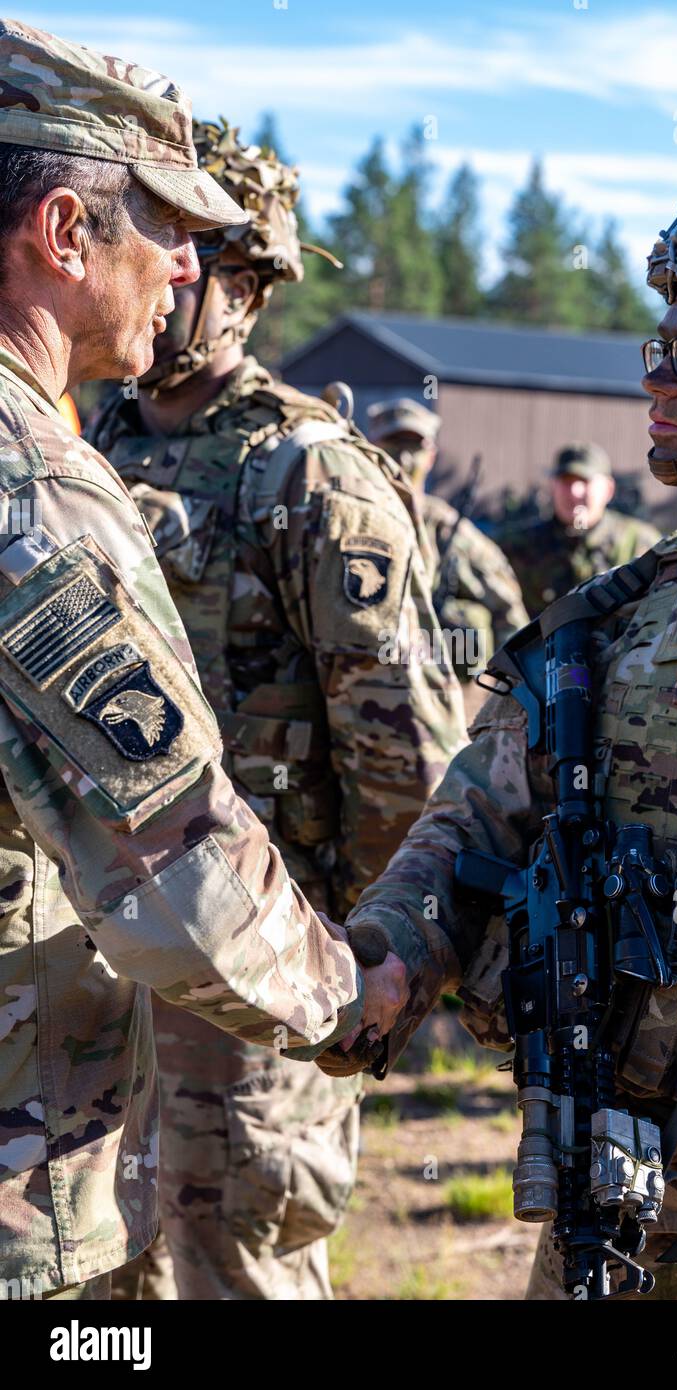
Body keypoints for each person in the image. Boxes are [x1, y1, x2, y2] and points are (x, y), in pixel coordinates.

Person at [325, 164, 677, 1301]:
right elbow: (473, 817)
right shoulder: (609, 623)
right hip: (607, 1207)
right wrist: (381, 963)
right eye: (654, 347)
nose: (657, 383)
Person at [0, 20, 405, 1303]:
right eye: (162, 224)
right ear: (66, 236)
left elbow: (397, 740)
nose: (186, 265)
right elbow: (177, 868)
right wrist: (360, 997)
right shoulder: (36, 496)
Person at [88, 121, 468, 1300]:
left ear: (247, 286)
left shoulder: (312, 475)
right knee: (105, 1271)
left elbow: (407, 758)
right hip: (96, 956)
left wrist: (362, 969)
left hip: (256, 970)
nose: (169, 271)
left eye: (195, 252)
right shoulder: (79, 448)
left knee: (233, 1259)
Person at [366, 397, 528, 698]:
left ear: (431, 456)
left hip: (447, 697)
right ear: (371, 450)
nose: (403, 458)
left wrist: (505, 699)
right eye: (392, 444)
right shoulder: (353, 522)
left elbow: (509, 613)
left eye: (414, 446)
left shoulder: (448, 531)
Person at [494, 441, 660, 617]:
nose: (574, 492)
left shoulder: (640, 543)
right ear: (553, 486)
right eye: (566, 481)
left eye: (584, 481)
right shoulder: (516, 546)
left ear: (608, 489)